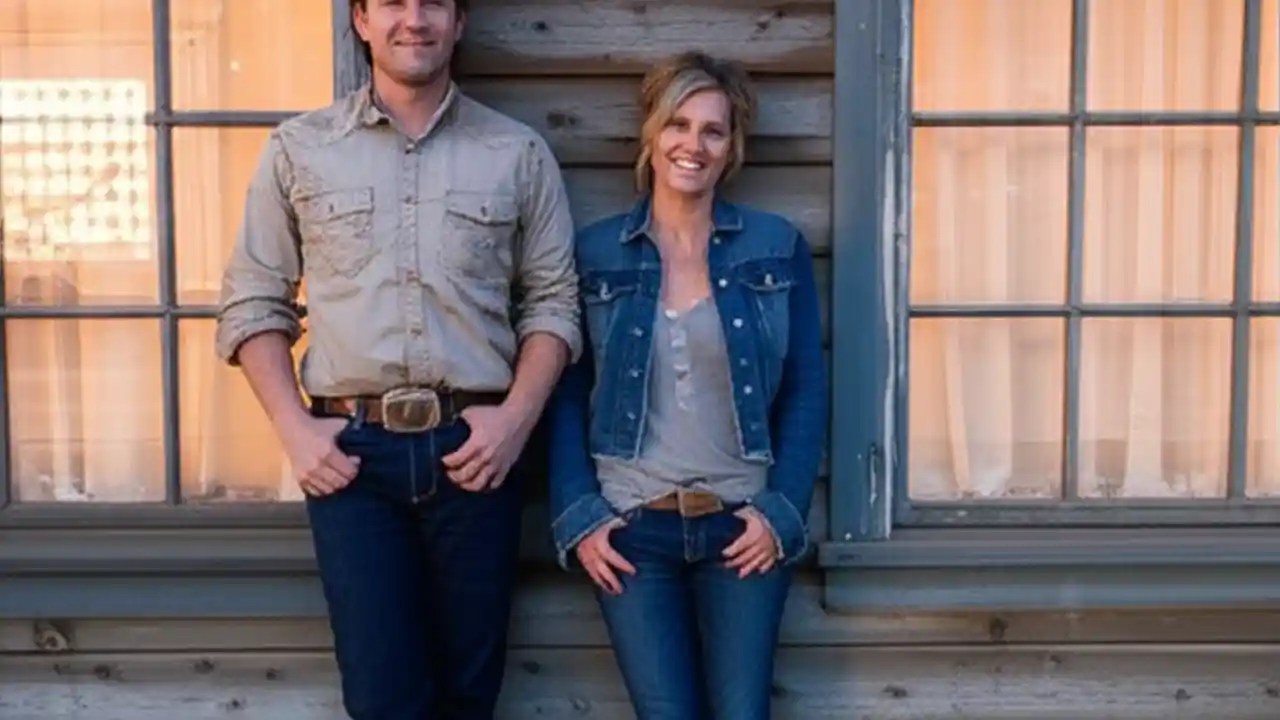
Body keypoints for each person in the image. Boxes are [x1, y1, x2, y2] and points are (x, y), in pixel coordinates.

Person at [214, 1, 581, 717]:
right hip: (353, 463)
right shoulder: (300, 149)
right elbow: (254, 302)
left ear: (460, 20)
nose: (413, 19)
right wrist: (295, 430)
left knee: (470, 696)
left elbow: (554, 302)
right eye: (392, 2)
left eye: (434, 2)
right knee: (383, 699)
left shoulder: (516, 152)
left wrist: (514, 420)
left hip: (475, 456)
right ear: (359, 19)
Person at [545, 51, 828, 719]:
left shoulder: (775, 246)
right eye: (678, 124)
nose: (692, 145)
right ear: (651, 132)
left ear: (733, 147)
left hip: (742, 526)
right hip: (632, 530)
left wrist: (780, 512)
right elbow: (562, 391)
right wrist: (583, 516)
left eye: (712, 130)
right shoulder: (595, 254)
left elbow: (807, 390)